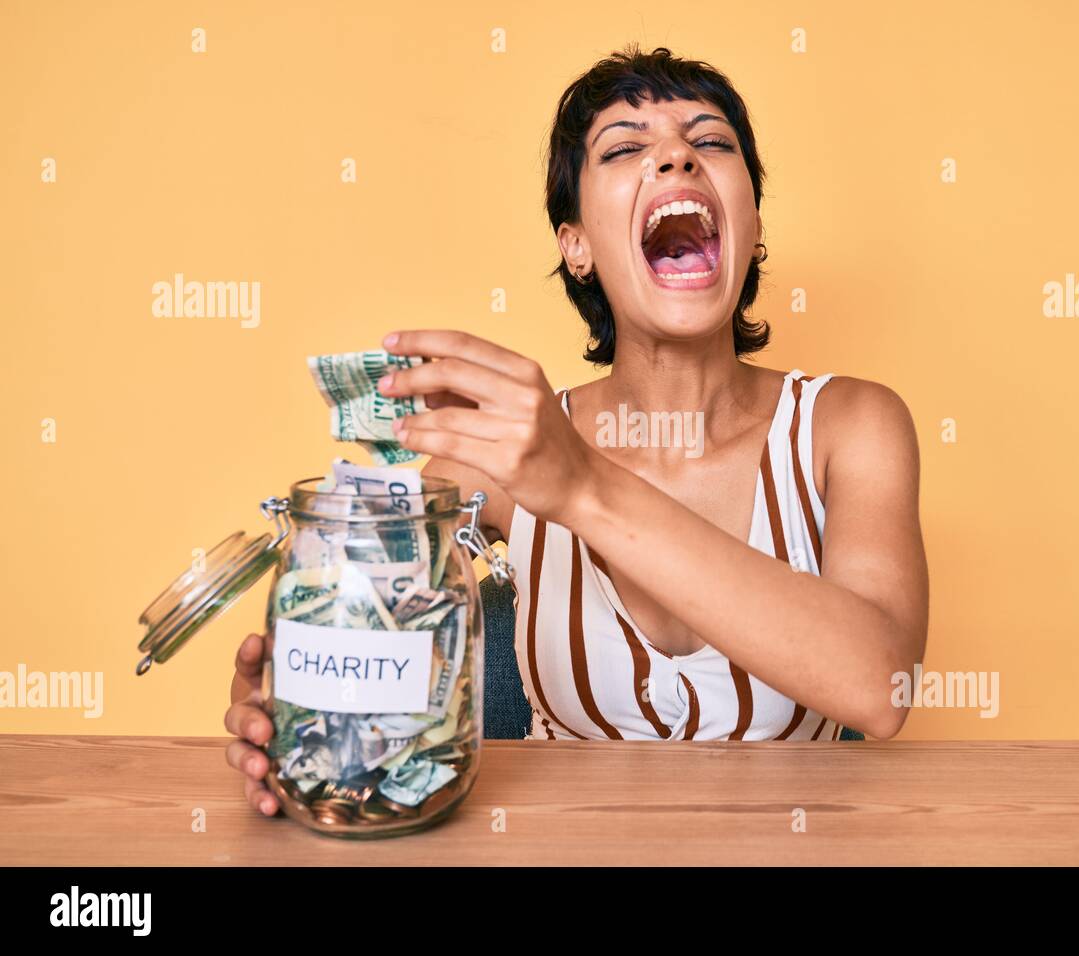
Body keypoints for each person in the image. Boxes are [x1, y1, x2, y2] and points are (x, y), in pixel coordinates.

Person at [226, 45, 928, 816]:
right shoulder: (505, 456)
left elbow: (879, 686)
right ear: (578, 246)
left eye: (711, 142)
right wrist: (307, 714)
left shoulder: (851, 425)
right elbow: (378, 697)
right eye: (626, 148)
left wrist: (582, 485)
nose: (675, 158)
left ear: (751, 220)